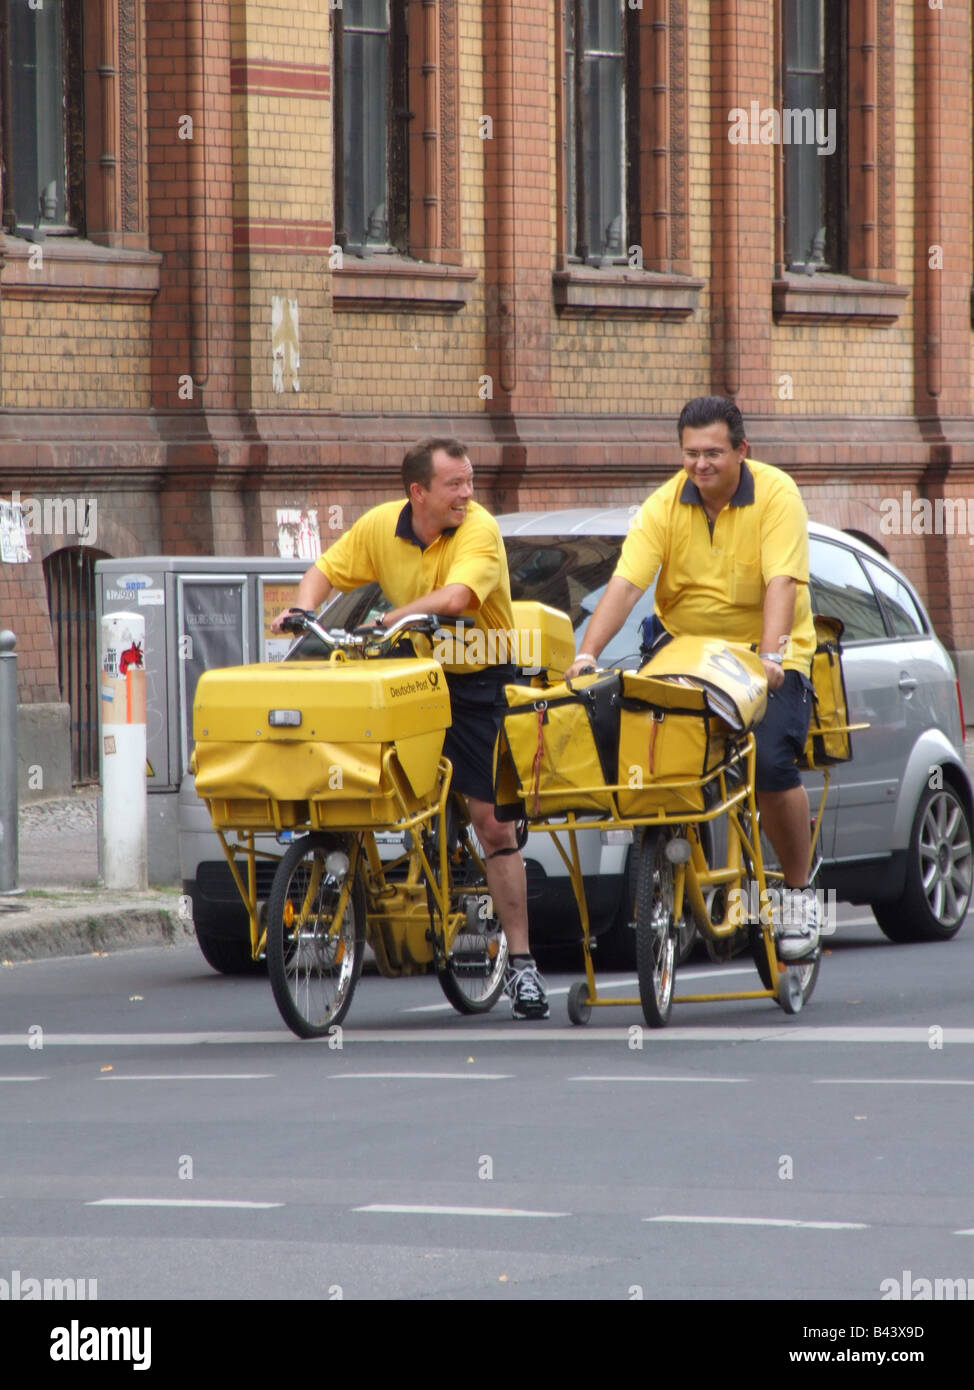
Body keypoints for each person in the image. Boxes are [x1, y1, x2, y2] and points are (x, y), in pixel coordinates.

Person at [270, 438, 549, 1018]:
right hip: (411, 680)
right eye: (456, 485)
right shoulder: (380, 528)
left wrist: (393, 615)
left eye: (470, 482)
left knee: (492, 824)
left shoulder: (478, 530)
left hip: (476, 684)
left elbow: (459, 595)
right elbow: (326, 570)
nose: (468, 494)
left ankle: (522, 964)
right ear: (418, 492)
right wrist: (304, 609)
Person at [564, 396, 820, 960]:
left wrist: (773, 656)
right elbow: (627, 583)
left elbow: (782, 581)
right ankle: (671, 866)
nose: (700, 465)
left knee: (773, 762)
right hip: (685, 654)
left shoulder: (776, 493)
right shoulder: (663, 504)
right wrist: (587, 654)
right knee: (650, 752)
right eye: (690, 454)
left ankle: (799, 894)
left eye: (713, 453)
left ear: (741, 451)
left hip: (766, 656)